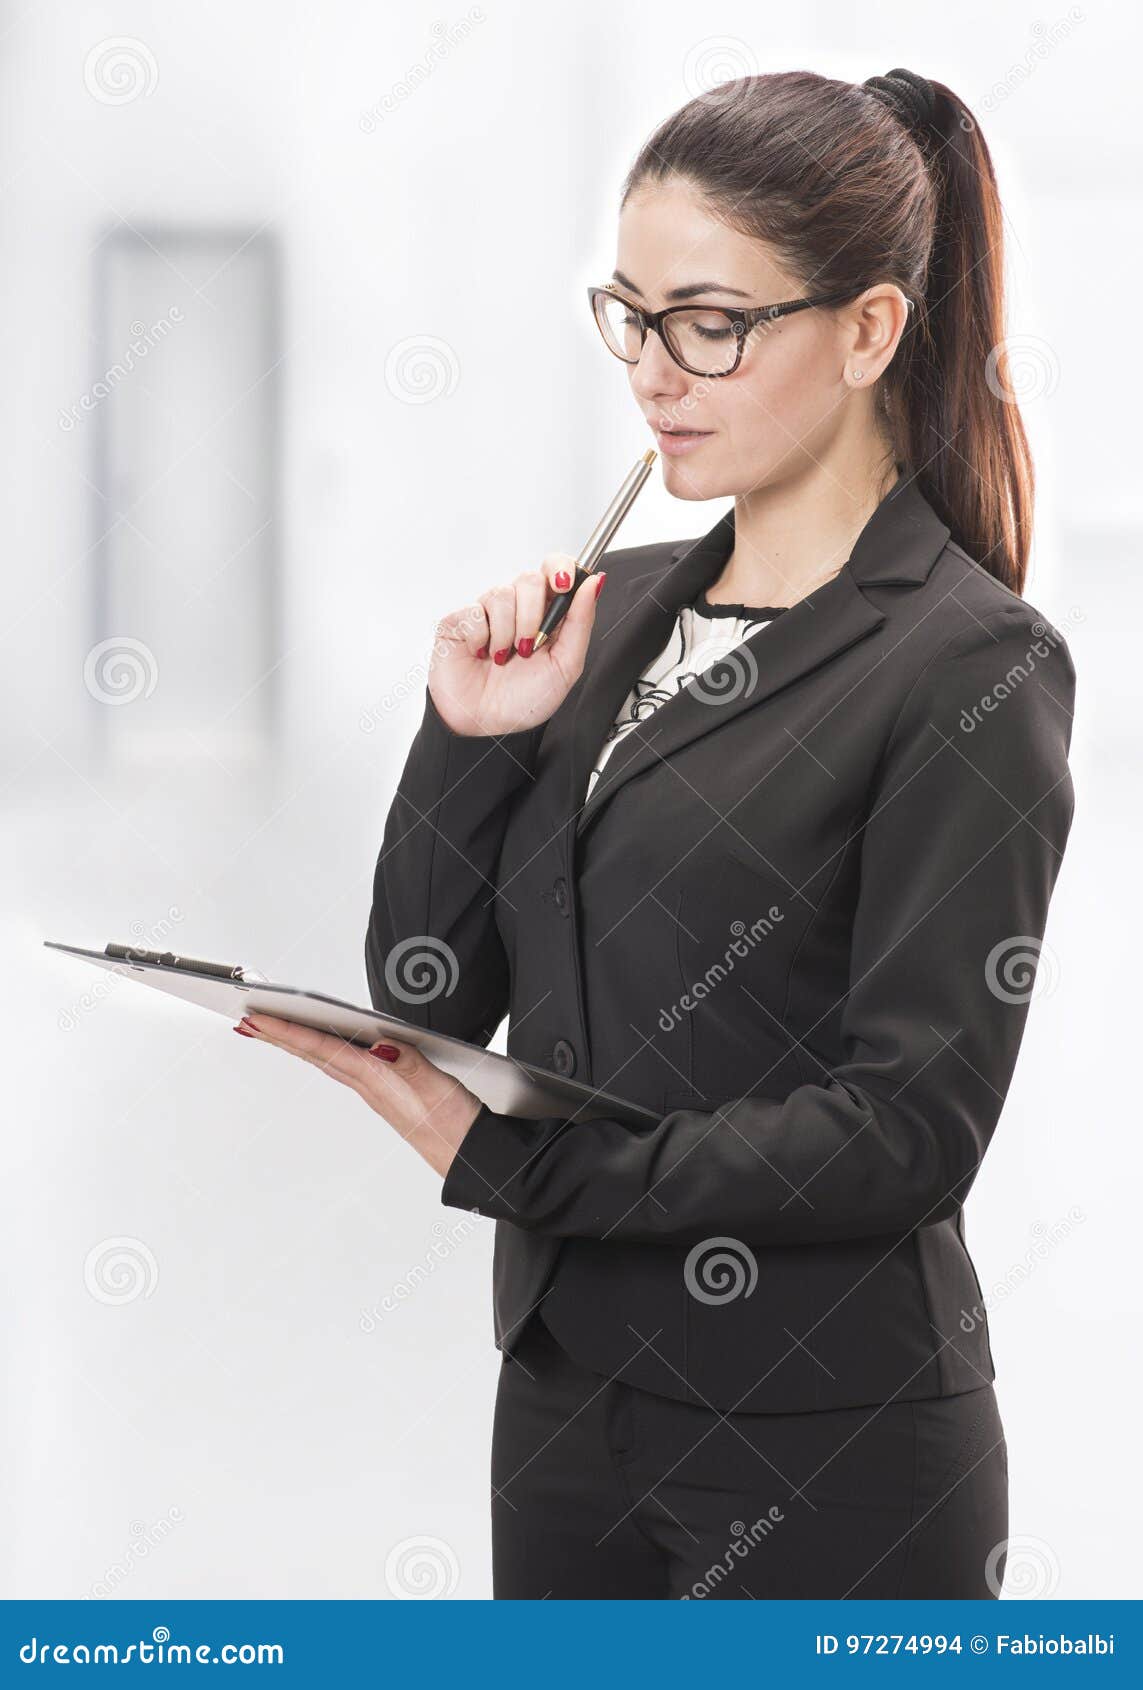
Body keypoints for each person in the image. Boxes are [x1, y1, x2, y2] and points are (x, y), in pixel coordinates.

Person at [236, 67, 1077, 1599]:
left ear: (871, 330)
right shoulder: (612, 612)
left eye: (713, 322)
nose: (655, 373)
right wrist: (467, 739)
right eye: (631, 314)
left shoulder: (970, 662)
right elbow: (429, 1003)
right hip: (566, 1409)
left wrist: (534, 1174)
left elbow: (908, 1128)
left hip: (829, 1452)